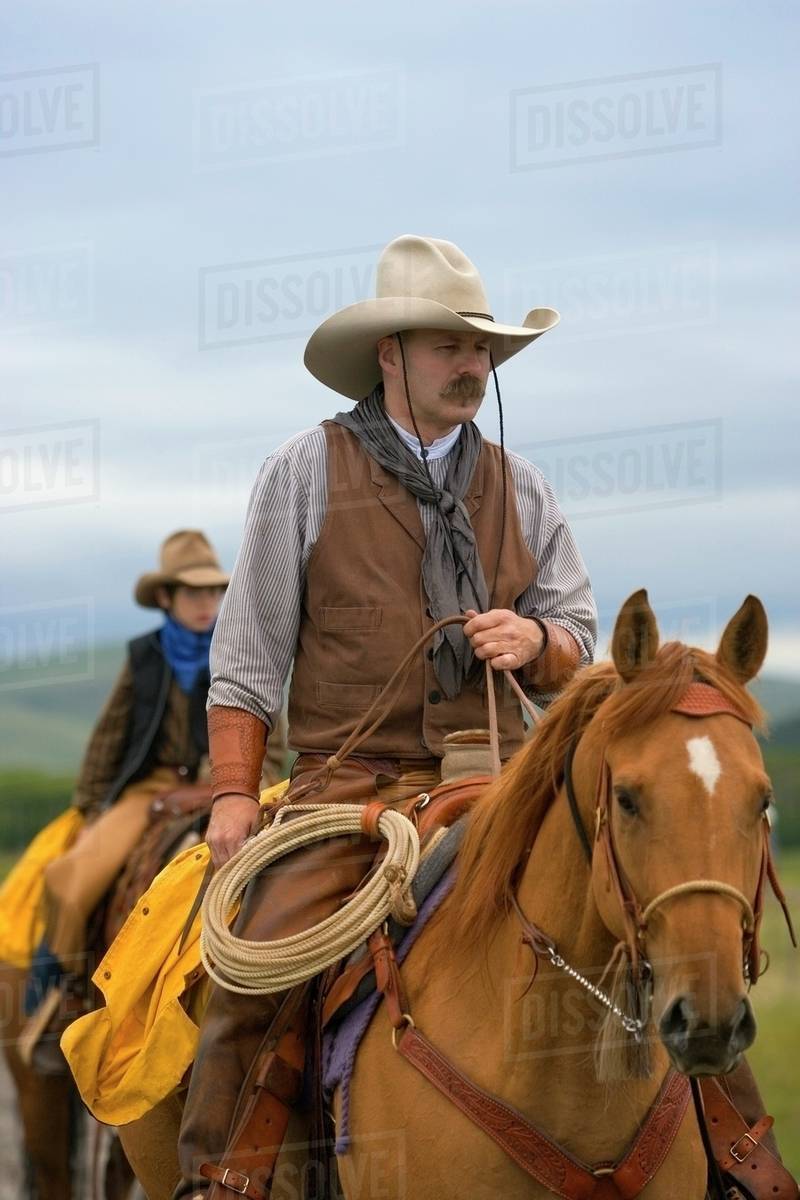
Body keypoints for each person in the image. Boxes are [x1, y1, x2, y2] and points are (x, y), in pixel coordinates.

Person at [175, 235, 598, 1197]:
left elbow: (577, 629)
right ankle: (221, 1180)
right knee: (254, 974)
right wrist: (237, 797)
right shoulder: (304, 469)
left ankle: (736, 1157)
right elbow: (245, 660)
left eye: (482, 348)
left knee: (641, 931)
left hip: (499, 781)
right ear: (389, 355)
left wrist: (539, 644)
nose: (472, 365)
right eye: (448, 345)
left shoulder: (523, 486)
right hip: (346, 793)